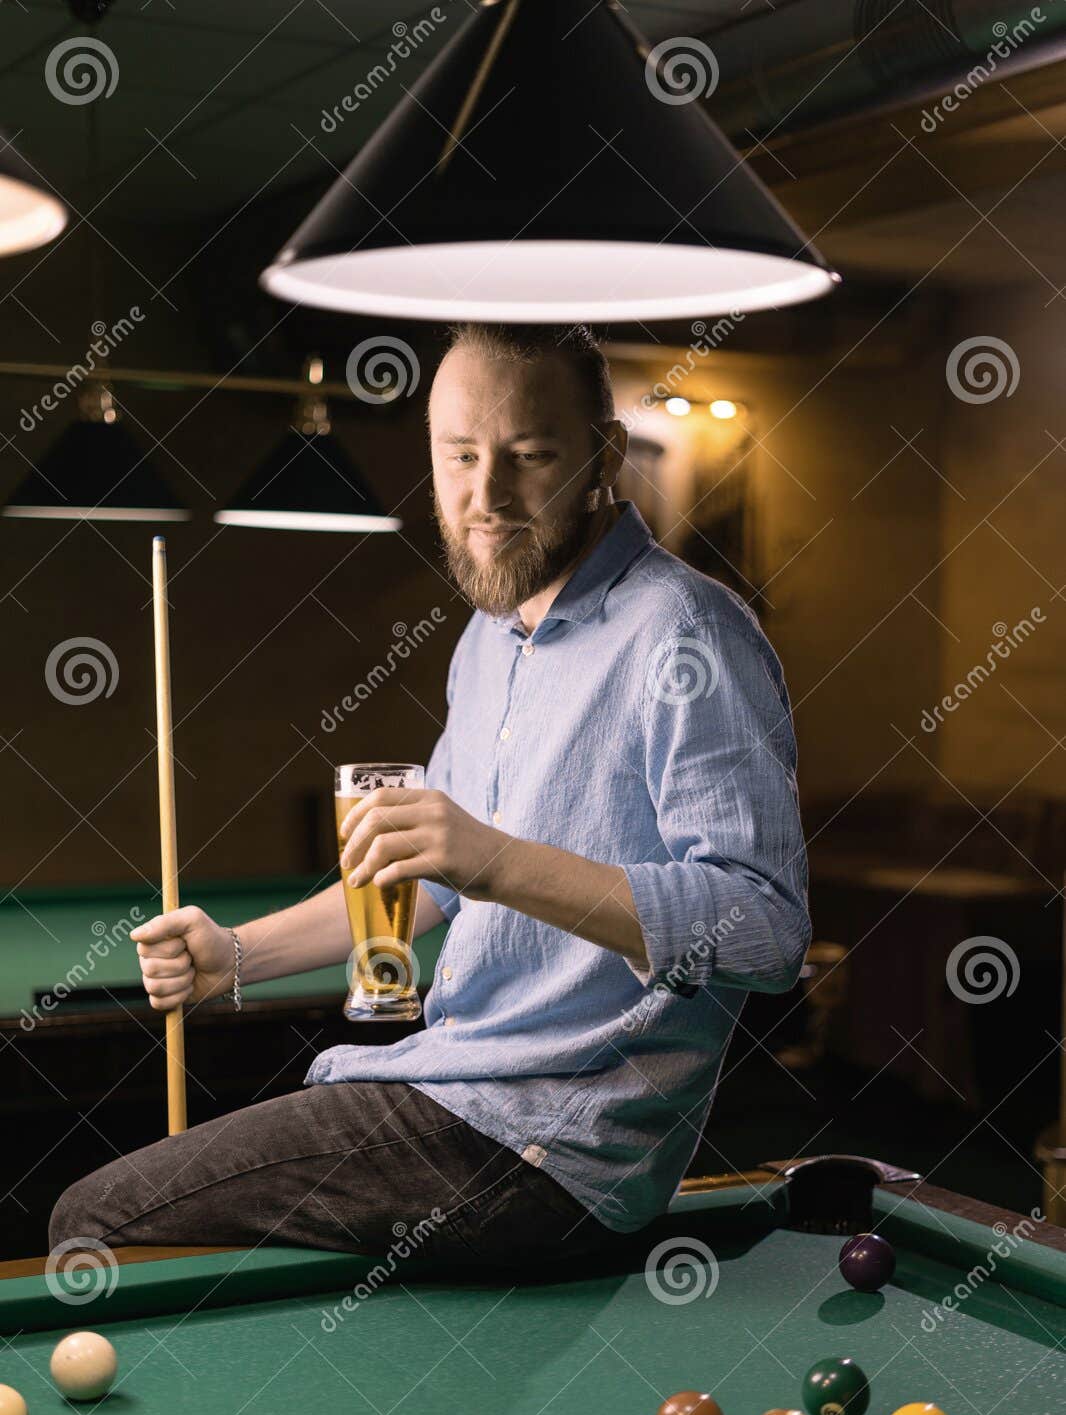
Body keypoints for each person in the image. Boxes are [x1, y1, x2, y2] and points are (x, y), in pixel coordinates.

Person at [49, 323, 810, 1272]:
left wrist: (493, 858)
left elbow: (767, 932)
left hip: (547, 1140)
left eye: (529, 457)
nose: (484, 497)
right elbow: (430, 886)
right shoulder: (492, 636)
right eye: (459, 456)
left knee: (95, 1218)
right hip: (451, 1086)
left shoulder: (687, 635)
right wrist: (236, 959)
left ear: (603, 458)